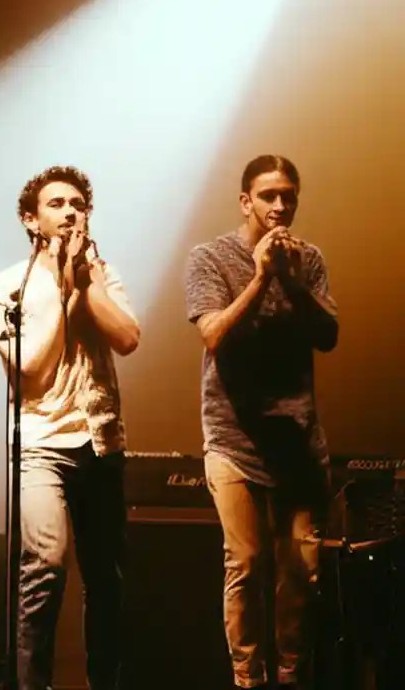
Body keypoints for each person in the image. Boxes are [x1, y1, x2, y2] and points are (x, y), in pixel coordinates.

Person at [0, 165, 140, 690]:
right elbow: (33, 369)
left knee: (107, 579)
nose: (71, 212)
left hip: (100, 440)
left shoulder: (102, 274)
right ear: (31, 220)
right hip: (40, 444)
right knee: (45, 565)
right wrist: (66, 291)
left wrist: (86, 281)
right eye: (57, 204)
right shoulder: (6, 288)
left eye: (78, 204)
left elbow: (128, 338)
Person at [185, 155, 337, 690]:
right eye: (269, 195)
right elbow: (214, 335)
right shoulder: (210, 257)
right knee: (247, 564)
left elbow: (328, 335)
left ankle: (291, 676)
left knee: (300, 571)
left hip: (298, 442)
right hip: (234, 439)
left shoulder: (308, 259)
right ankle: (248, 679)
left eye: (288, 196)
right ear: (245, 200)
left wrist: (291, 281)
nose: (280, 205)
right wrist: (260, 277)